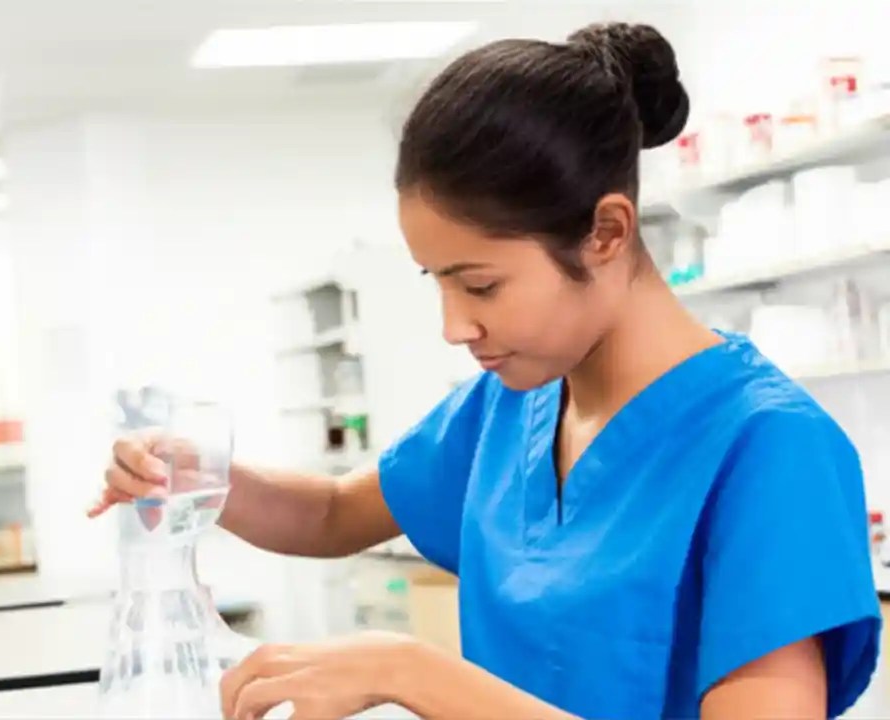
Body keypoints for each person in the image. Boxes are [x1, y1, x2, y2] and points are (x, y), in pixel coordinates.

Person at [89, 21, 881, 720]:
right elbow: (333, 514)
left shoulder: (769, 450)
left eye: (481, 285)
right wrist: (201, 478)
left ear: (606, 232)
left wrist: (408, 670)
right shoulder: (513, 406)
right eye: (436, 282)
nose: (453, 325)